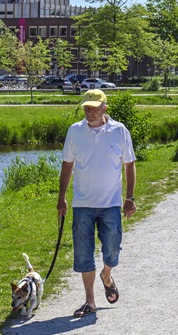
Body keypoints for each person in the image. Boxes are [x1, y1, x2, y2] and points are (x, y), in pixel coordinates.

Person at [57, 89, 137, 317]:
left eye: (94, 107)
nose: (89, 111)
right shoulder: (75, 131)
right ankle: (90, 302)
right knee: (83, 253)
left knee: (112, 248)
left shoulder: (119, 131)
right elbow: (67, 165)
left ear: (105, 108)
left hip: (111, 203)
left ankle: (107, 274)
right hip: (82, 203)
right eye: (86, 107)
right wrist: (62, 196)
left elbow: (129, 165)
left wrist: (130, 198)